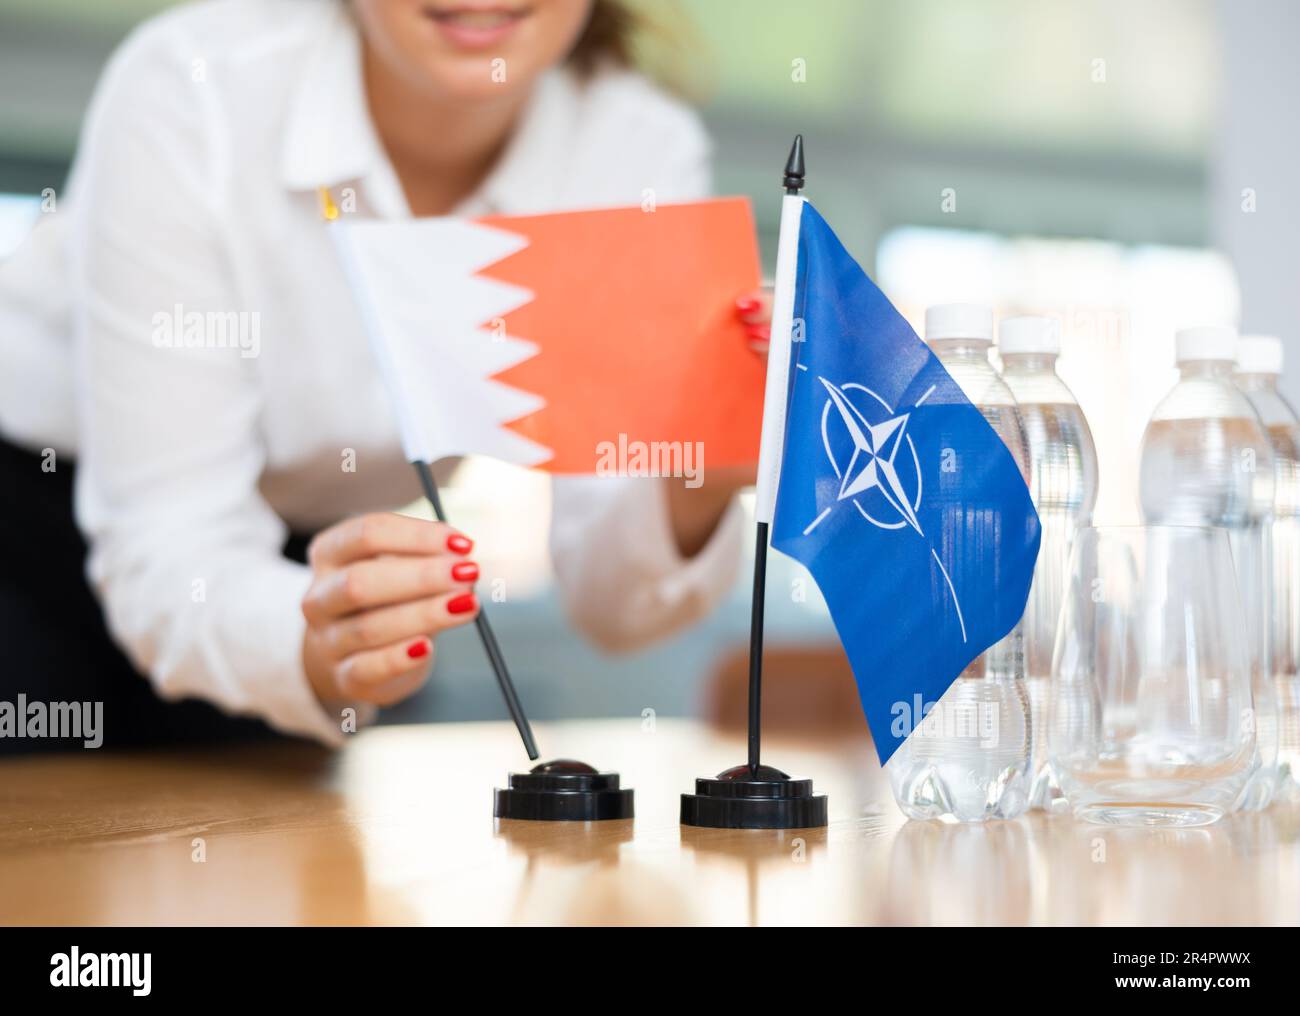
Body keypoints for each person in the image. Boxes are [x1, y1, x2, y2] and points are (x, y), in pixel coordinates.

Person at [0, 0, 772, 752]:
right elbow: (168, 539)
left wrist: (696, 474)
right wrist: (316, 639)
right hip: (37, 530)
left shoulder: (638, 148)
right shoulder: (195, 85)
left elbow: (616, 613)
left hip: (322, 572)